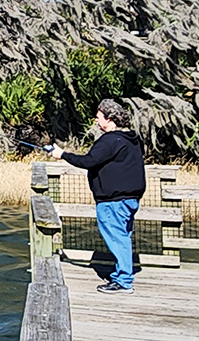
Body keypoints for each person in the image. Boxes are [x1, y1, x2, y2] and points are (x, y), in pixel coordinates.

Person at [50, 99, 146, 294]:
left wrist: (63, 155)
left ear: (109, 119)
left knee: (117, 237)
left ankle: (124, 281)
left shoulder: (110, 140)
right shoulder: (131, 139)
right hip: (129, 199)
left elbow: (89, 161)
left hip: (113, 201)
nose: (96, 119)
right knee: (123, 236)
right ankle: (122, 274)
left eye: (99, 116)